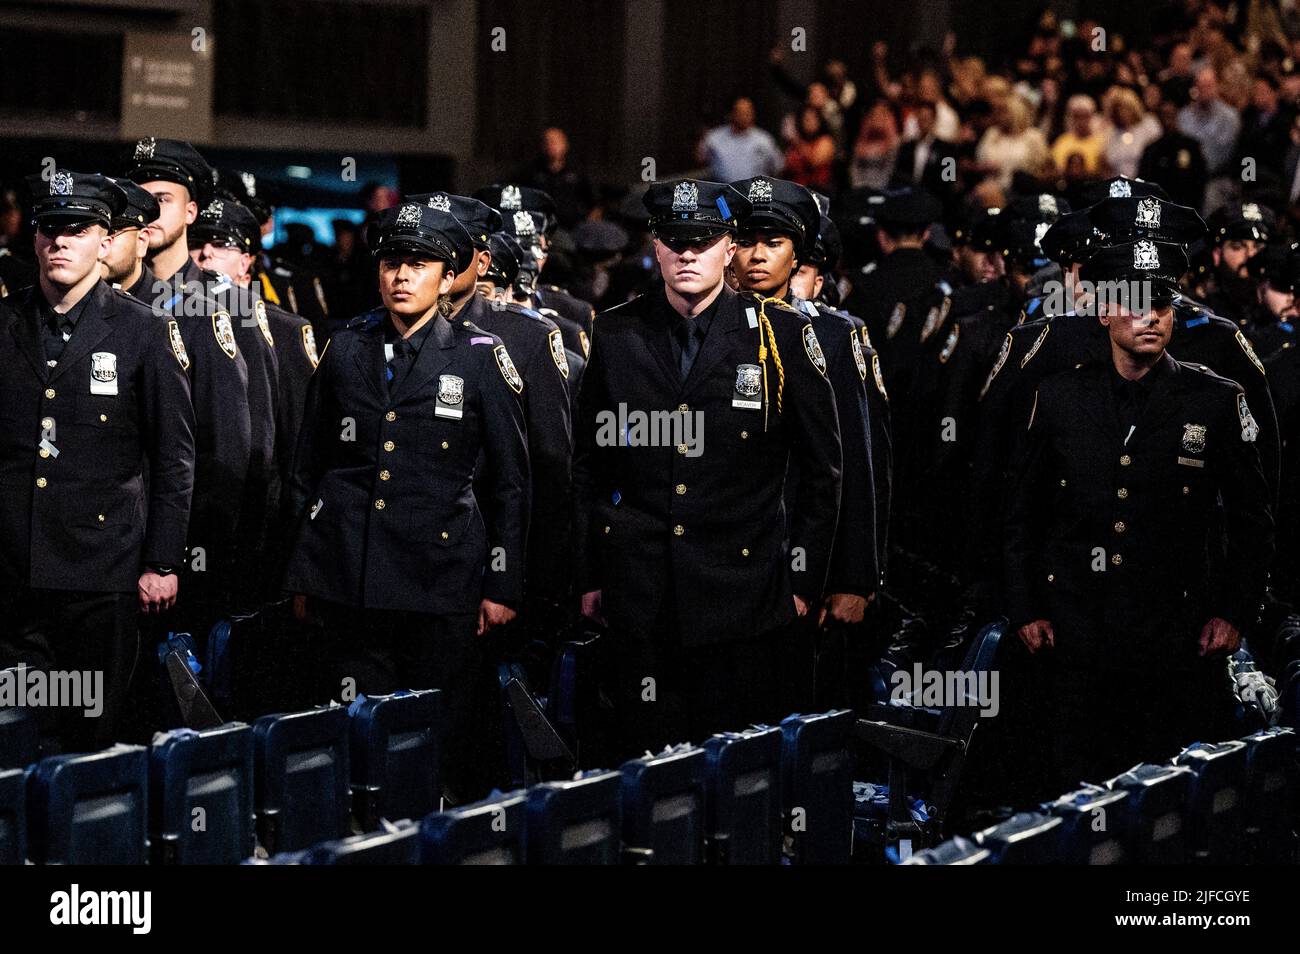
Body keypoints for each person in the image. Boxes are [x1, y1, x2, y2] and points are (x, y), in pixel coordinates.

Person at [572, 178, 842, 754]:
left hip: (743, 595)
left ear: (729, 247)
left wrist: (802, 581)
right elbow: (590, 464)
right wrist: (590, 573)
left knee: (734, 766)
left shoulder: (782, 334)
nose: (688, 253)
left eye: (703, 240)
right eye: (675, 240)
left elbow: (823, 470)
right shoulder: (616, 330)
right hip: (640, 592)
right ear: (655, 245)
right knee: (646, 763)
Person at [1003, 237, 1272, 789]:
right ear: (1104, 312)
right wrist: (1026, 607)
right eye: (1133, 303)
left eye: (1163, 305)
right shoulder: (1059, 396)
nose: (1150, 316)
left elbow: (1252, 519)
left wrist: (1234, 612)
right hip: (1077, 632)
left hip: (1174, 635)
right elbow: (1024, 512)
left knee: (1166, 796)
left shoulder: (1215, 399)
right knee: (1077, 790)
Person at [282, 200, 529, 802]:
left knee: (433, 742)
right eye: (392, 262)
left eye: (419, 264)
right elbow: (307, 467)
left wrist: (502, 584)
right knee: (356, 736)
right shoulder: (346, 346)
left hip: (439, 580)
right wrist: (300, 572)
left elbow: (511, 482)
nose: (401, 275)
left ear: (447, 279)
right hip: (350, 577)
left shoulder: (479, 354)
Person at [0, 171, 195, 752]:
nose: (59, 241)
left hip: (98, 576)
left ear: (107, 242)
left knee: (88, 741)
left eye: (77, 229)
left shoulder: (144, 330)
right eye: (49, 228)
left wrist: (162, 560)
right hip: (11, 575)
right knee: (13, 738)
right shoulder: (5, 322)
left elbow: (174, 457)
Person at [729, 176, 879, 707]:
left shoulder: (832, 336)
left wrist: (852, 578)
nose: (757, 256)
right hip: (721, 558)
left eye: (773, 243)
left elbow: (855, 460)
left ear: (797, 256)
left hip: (798, 557)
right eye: (746, 241)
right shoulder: (701, 326)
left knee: (790, 709)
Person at [124, 137, 258, 630]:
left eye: (163, 199)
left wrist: (183, 557)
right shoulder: (113, 300)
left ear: (191, 211)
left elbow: (230, 453)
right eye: (139, 198)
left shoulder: (212, 307)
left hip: (179, 560)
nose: (148, 211)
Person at [697, 97, 784, 183]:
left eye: (748, 112)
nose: (745, 116)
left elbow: (777, 167)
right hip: (724, 187)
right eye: (741, 113)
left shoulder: (764, 140)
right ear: (732, 114)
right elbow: (700, 159)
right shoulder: (713, 137)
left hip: (755, 189)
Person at [1050, 95, 1105, 178]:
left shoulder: (1101, 145)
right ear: (1070, 118)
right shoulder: (1061, 143)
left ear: (1092, 117)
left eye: (1085, 116)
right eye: (1077, 116)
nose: (1081, 121)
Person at [783, 106, 836, 191]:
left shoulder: (825, 141)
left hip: (817, 191)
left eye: (814, 119)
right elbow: (786, 165)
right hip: (795, 189)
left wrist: (797, 141)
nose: (811, 123)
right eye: (807, 119)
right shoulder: (796, 144)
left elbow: (814, 161)